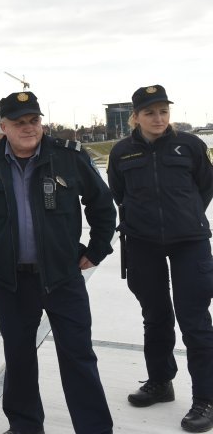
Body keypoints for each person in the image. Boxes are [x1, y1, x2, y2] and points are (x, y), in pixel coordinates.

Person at [0, 91, 115, 434]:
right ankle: (25, 426)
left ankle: (94, 428)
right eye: (19, 122)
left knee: (78, 357)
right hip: (12, 282)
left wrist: (97, 250)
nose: (29, 128)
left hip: (62, 277)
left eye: (34, 121)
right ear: (4, 127)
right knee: (19, 356)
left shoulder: (68, 157)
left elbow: (102, 206)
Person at [108, 84, 213, 433]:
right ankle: (160, 382)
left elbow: (205, 187)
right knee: (154, 316)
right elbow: (118, 193)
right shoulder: (121, 152)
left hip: (190, 244)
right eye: (150, 112)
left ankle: (206, 399)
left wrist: (186, 215)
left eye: (163, 111)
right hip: (142, 244)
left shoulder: (191, 146)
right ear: (134, 117)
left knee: (194, 320)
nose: (158, 118)